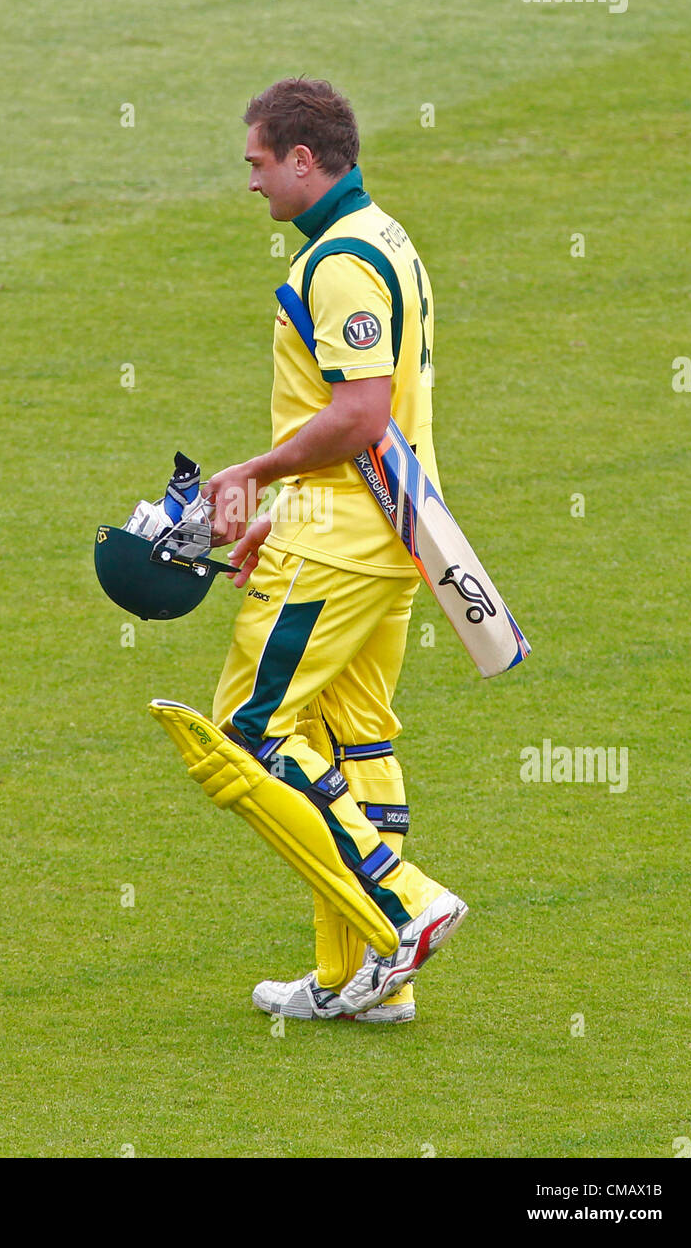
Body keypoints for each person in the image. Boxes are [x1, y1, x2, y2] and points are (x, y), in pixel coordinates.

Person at [201, 77, 467, 1023]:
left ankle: (406, 904)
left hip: (343, 543)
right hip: (388, 523)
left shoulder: (342, 264)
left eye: (260, 164)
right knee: (353, 740)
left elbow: (359, 416)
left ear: (303, 160)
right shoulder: (386, 235)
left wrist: (254, 475)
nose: (253, 183)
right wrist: (291, 501)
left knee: (245, 735)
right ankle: (356, 983)